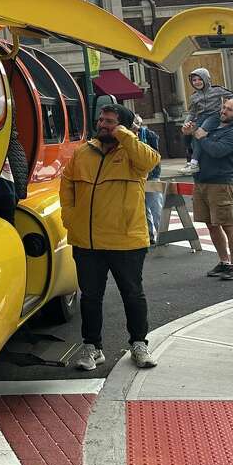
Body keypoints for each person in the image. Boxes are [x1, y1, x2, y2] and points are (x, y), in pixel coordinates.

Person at [60, 104, 160, 371]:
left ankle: (139, 344)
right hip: (87, 241)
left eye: (110, 122)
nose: (103, 124)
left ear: (124, 126)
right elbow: (67, 184)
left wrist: (125, 136)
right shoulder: (83, 152)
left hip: (126, 240)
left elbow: (151, 161)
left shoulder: (133, 153)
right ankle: (92, 347)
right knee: (90, 297)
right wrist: (69, 217)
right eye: (102, 120)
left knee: (132, 294)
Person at [184, 96, 233, 280]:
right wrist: (189, 135)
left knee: (227, 225)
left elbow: (216, 151)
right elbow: (192, 146)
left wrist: (201, 136)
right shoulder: (211, 126)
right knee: (211, 225)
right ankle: (224, 262)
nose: (223, 111)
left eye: (229, 109)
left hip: (220, 184)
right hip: (201, 181)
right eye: (224, 107)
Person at [180, 68, 233, 175]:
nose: (197, 82)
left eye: (199, 79)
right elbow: (192, 113)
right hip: (201, 117)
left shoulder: (217, 90)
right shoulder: (194, 96)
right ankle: (192, 160)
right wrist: (186, 123)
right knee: (190, 134)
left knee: (199, 133)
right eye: (194, 80)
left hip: (214, 116)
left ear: (206, 79)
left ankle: (194, 163)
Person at [133, 114, 163, 244]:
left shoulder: (149, 135)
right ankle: (149, 236)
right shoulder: (128, 137)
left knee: (155, 207)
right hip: (137, 178)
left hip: (151, 177)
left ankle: (161, 235)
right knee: (143, 209)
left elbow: (155, 156)